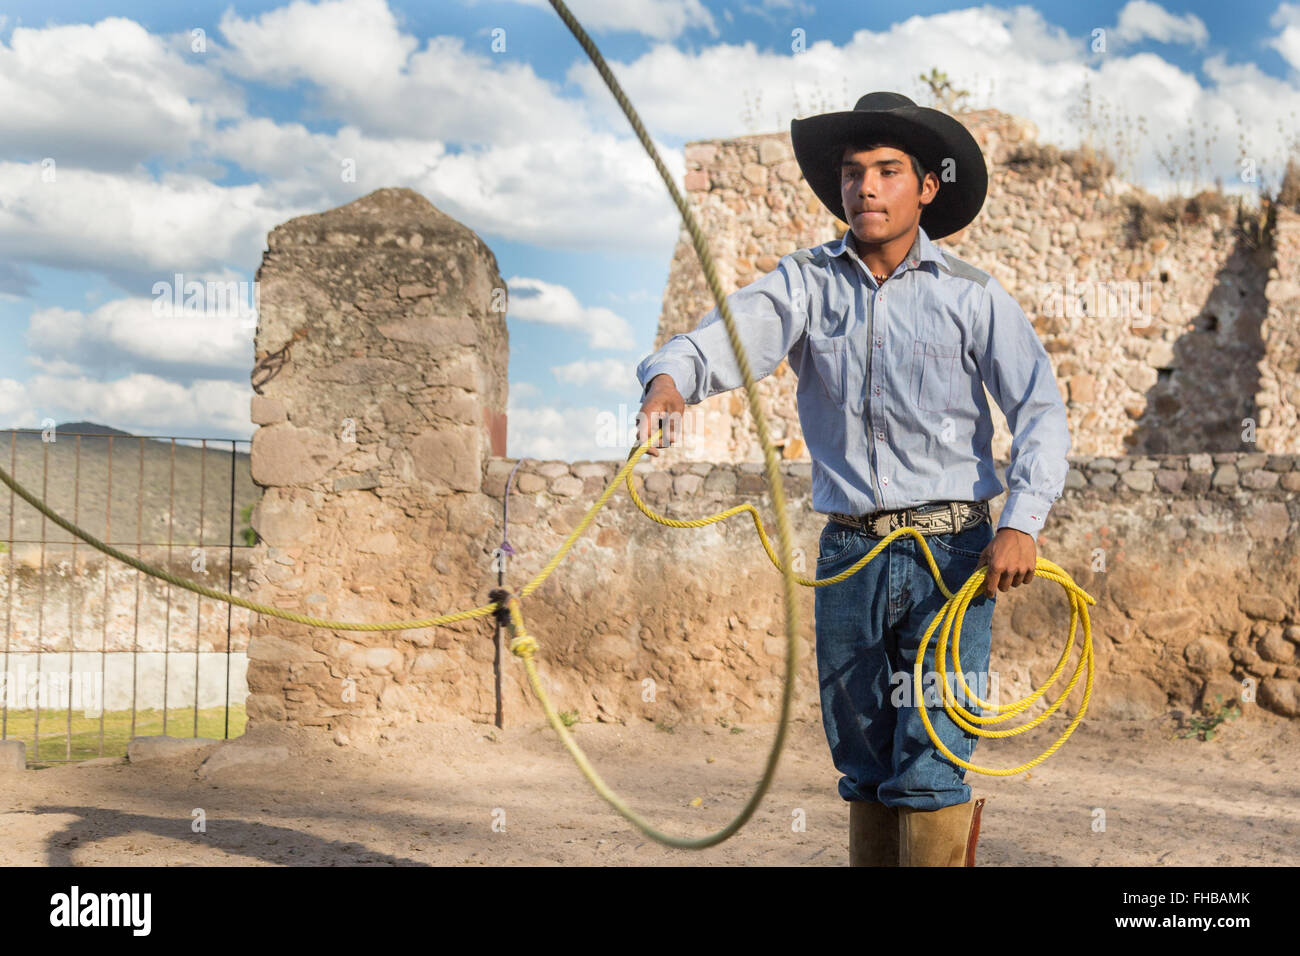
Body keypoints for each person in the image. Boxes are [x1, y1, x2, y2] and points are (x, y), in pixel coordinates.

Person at [634, 91, 1071, 866]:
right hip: (849, 556)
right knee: (863, 765)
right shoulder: (804, 284)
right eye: (852, 173)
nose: (865, 187)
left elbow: (1039, 406)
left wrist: (1022, 520)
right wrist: (670, 381)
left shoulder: (973, 293)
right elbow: (726, 339)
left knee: (933, 762)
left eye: (887, 171)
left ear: (925, 189)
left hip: (953, 557)